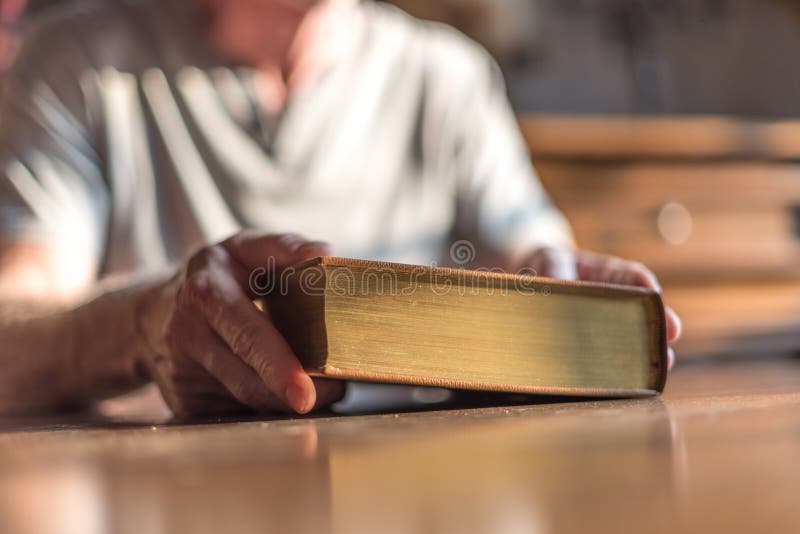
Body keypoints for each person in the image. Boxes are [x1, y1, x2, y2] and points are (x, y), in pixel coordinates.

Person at [0, 0, 681, 416]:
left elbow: (532, 258)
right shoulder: (78, 67)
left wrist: (555, 290)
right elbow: (12, 331)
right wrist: (140, 325)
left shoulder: (446, 76)